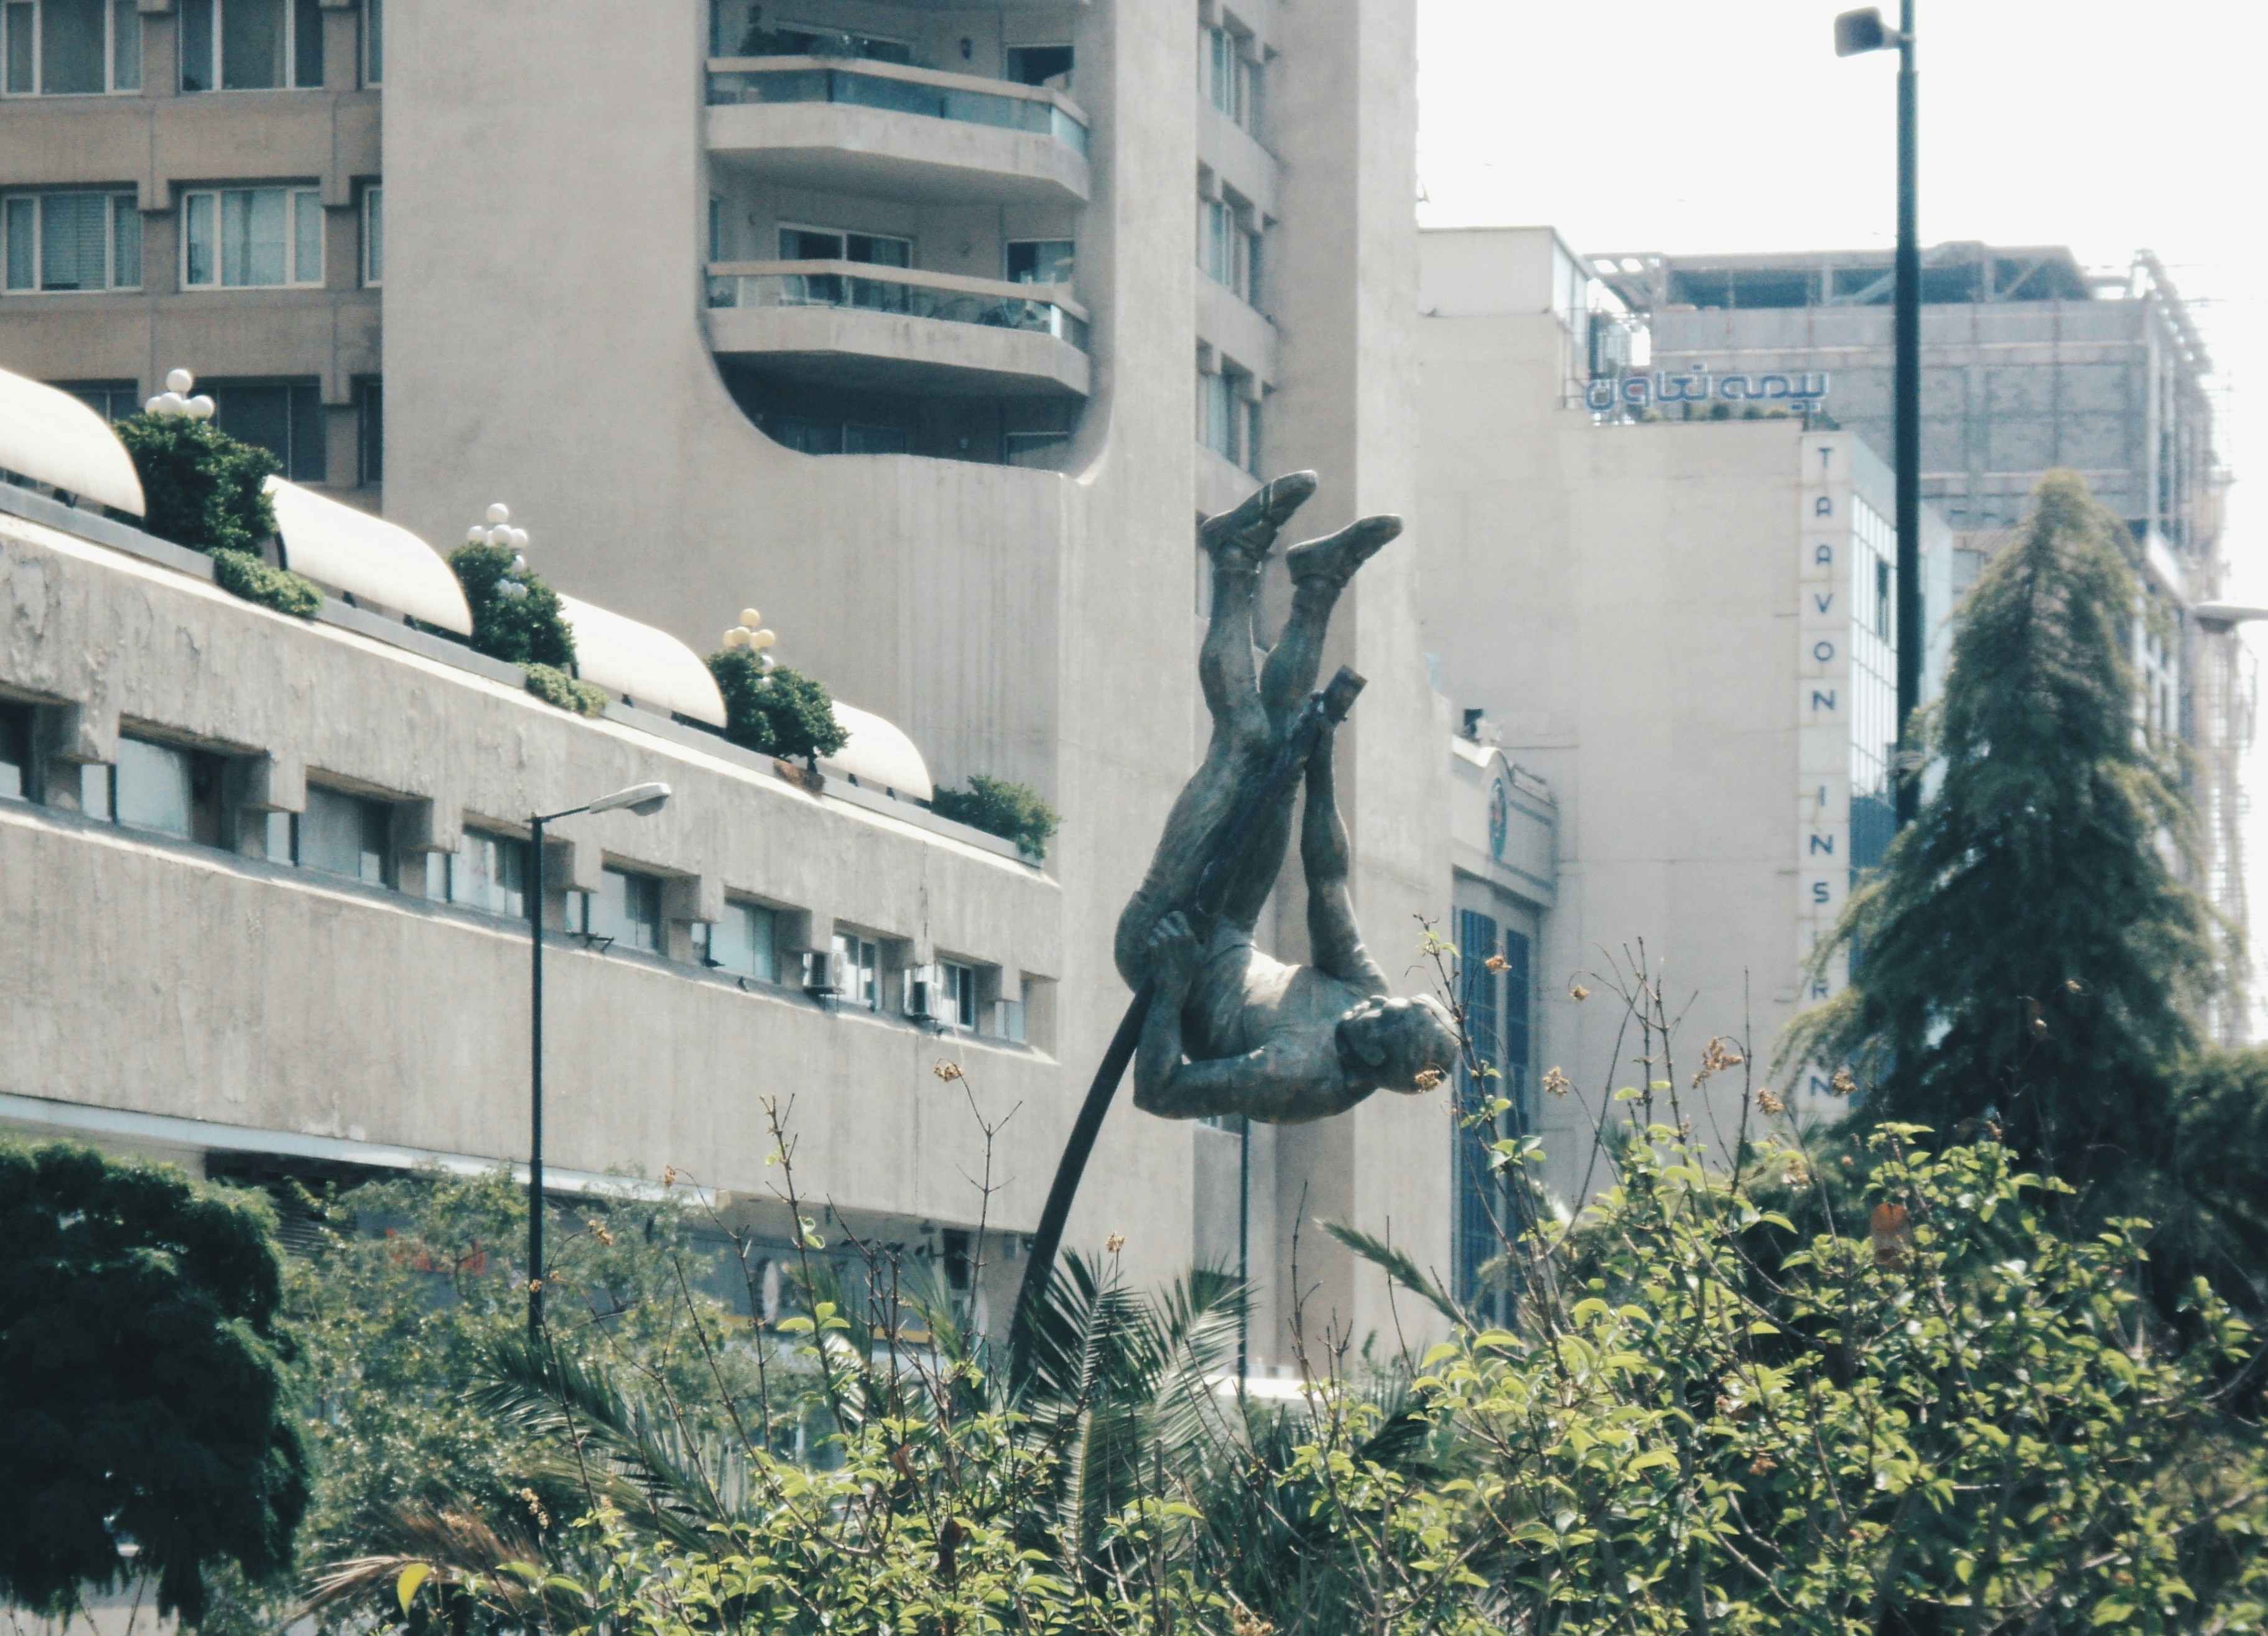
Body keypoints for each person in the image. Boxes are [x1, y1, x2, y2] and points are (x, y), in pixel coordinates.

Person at [1118, 472, 1459, 1125]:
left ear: (1379, 1065)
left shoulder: (1295, 1072)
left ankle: (1233, 557)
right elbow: (1328, 879)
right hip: (1234, 928)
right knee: (1282, 740)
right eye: (1387, 1004)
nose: (1369, 1006)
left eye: (1375, 1024)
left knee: (1243, 740)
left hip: (1166, 940)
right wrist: (1320, 759)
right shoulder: (1368, 994)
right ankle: (1318, 583)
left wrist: (1168, 986)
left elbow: (1159, 1091)